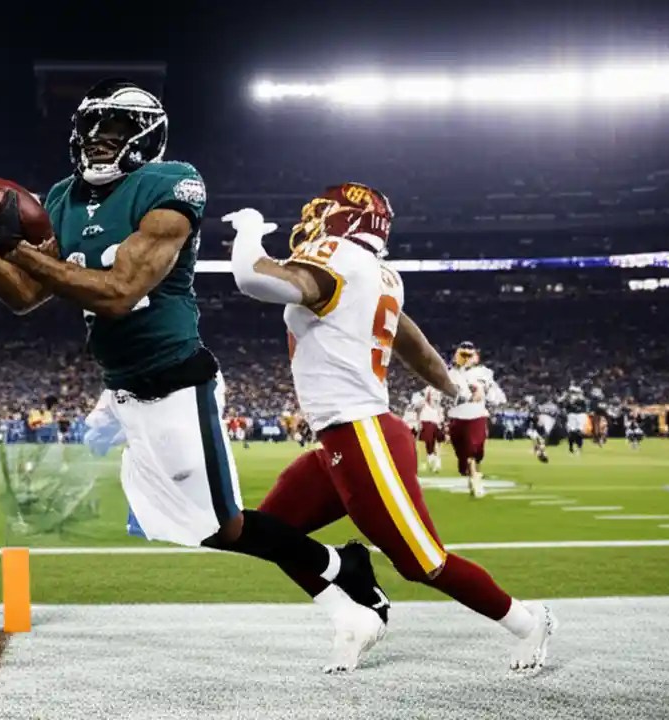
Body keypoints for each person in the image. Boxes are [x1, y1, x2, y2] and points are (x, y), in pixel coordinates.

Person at [0, 78, 388, 643]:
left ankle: (345, 578)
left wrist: (10, 242)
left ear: (145, 136)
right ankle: (344, 576)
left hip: (176, 382)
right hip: (122, 390)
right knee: (204, 529)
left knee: (225, 524)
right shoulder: (60, 197)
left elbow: (120, 290)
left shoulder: (172, 183)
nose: (98, 140)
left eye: (114, 129)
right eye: (91, 130)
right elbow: (25, 294)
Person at [225, 185, 553, 674]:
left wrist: (249, 229)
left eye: (324, 215)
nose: (313, 225)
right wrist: (450, 385)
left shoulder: (338, 257)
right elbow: (412, 342)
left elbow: (253, 277)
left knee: (424, 563)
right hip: (339, 439)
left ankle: (529, 621)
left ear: (348, 221)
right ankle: (350, 610)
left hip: (364, 435)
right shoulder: (378, 274)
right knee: (269, 533)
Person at [448, 343, 505, 497]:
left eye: (469, 355)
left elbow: (492, 393)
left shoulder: (484, 372)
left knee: (473, 451)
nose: (466, 359)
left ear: (476, 357)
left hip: (476, 415)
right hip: (456, 416)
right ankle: (472, 473)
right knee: (463, 455)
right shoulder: (451, 373)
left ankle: (475, 478)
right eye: (463, 355)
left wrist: (487, 394)